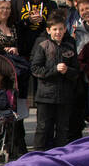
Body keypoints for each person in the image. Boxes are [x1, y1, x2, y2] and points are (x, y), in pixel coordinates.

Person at [29, 11, 81, 149]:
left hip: (65, 96)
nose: (58, 32)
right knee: (43, 128)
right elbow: (35, 69)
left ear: (65, 29)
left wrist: (67, 71)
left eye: (60, 29)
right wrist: (54, 70)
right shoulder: (42, 44)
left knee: (63, 129)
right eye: (54, 29)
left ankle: (59, 156)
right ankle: (37, 155)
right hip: (45, 96)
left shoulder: (70, 44)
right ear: (48, 30)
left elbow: (77, 70)